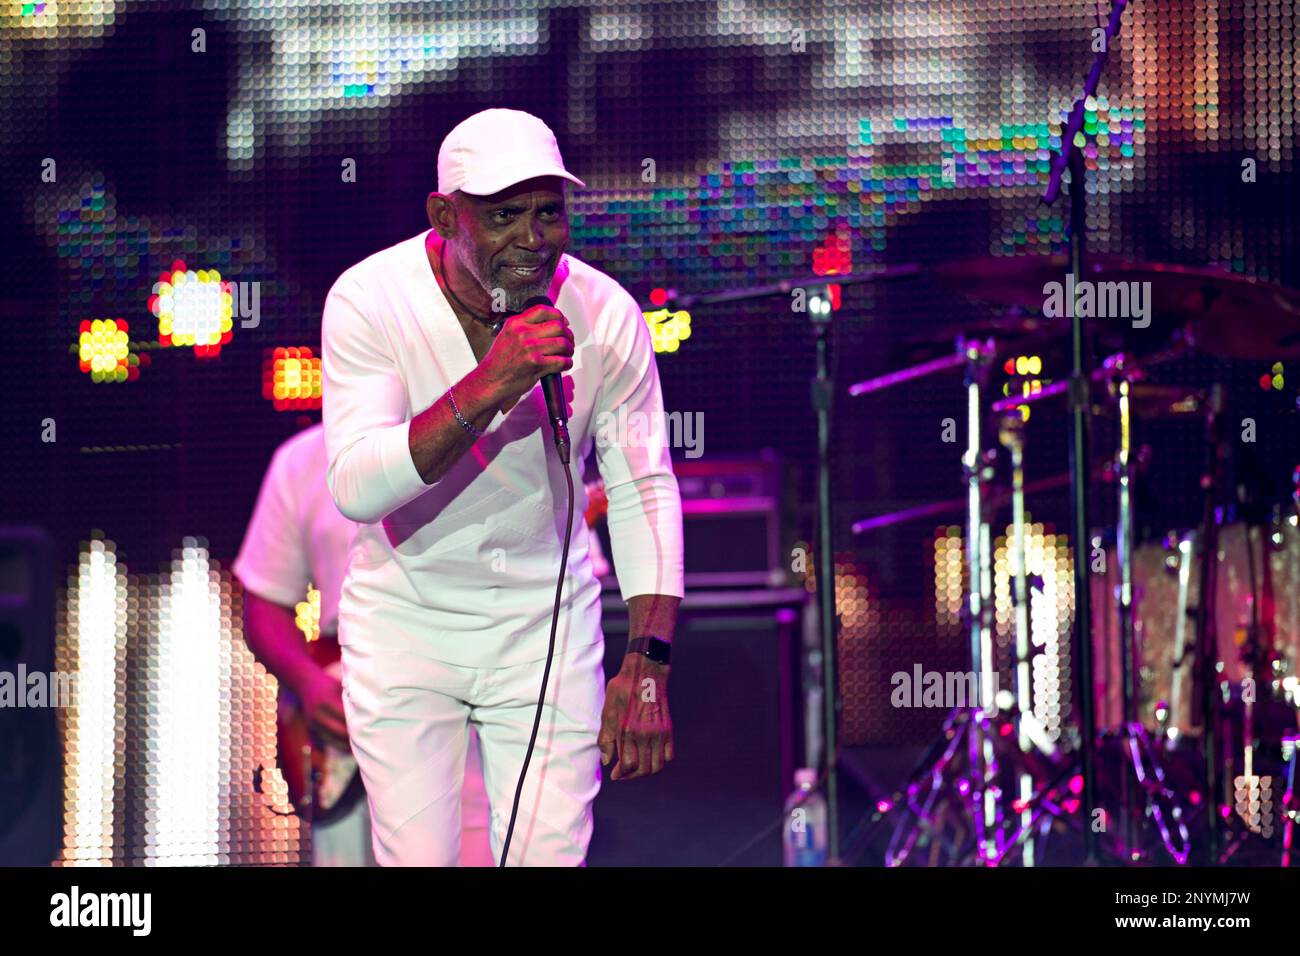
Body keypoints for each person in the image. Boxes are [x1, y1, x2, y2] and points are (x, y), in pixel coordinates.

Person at [320, 108, 684, 866]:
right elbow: (357, 486)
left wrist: (647, 662)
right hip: (405, 624)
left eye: (548, 212)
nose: (532, 237)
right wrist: (493, 382)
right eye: (503, 215)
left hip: (544, 626)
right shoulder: (368, 299)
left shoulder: (604, 313)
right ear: (444, 215)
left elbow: (644, 486)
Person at [233, 420, 494, 866]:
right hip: (343, 730)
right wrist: (311, 686)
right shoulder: (301, 460)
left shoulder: (492, 440)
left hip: (466, 719)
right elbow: (264, 603)